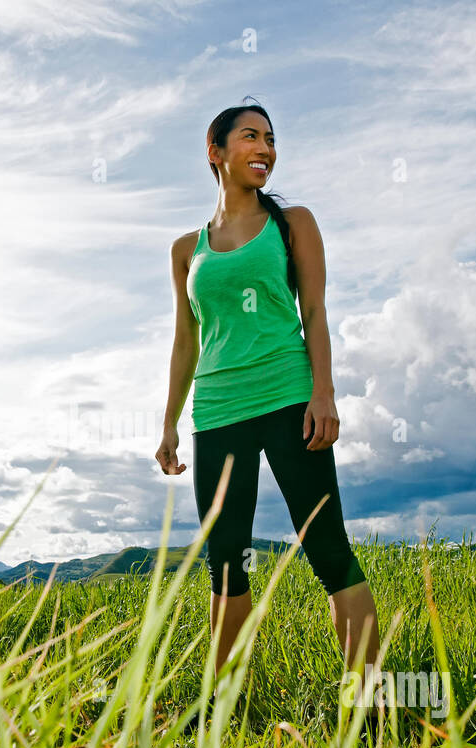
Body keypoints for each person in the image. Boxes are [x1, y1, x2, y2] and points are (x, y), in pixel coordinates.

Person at [155, 99, 380, 680]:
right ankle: (226, 701)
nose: (266, 149)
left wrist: (323, 393)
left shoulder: (292, 223)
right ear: (216, 152)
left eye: (271, 140)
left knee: (327, 549)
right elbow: (186, 341)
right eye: (251, 137)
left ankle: (372, 696)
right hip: (218, 410)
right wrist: (169, 423)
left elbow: (316, 310)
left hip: (289, 398)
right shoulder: (187, 249)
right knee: (226, 563)